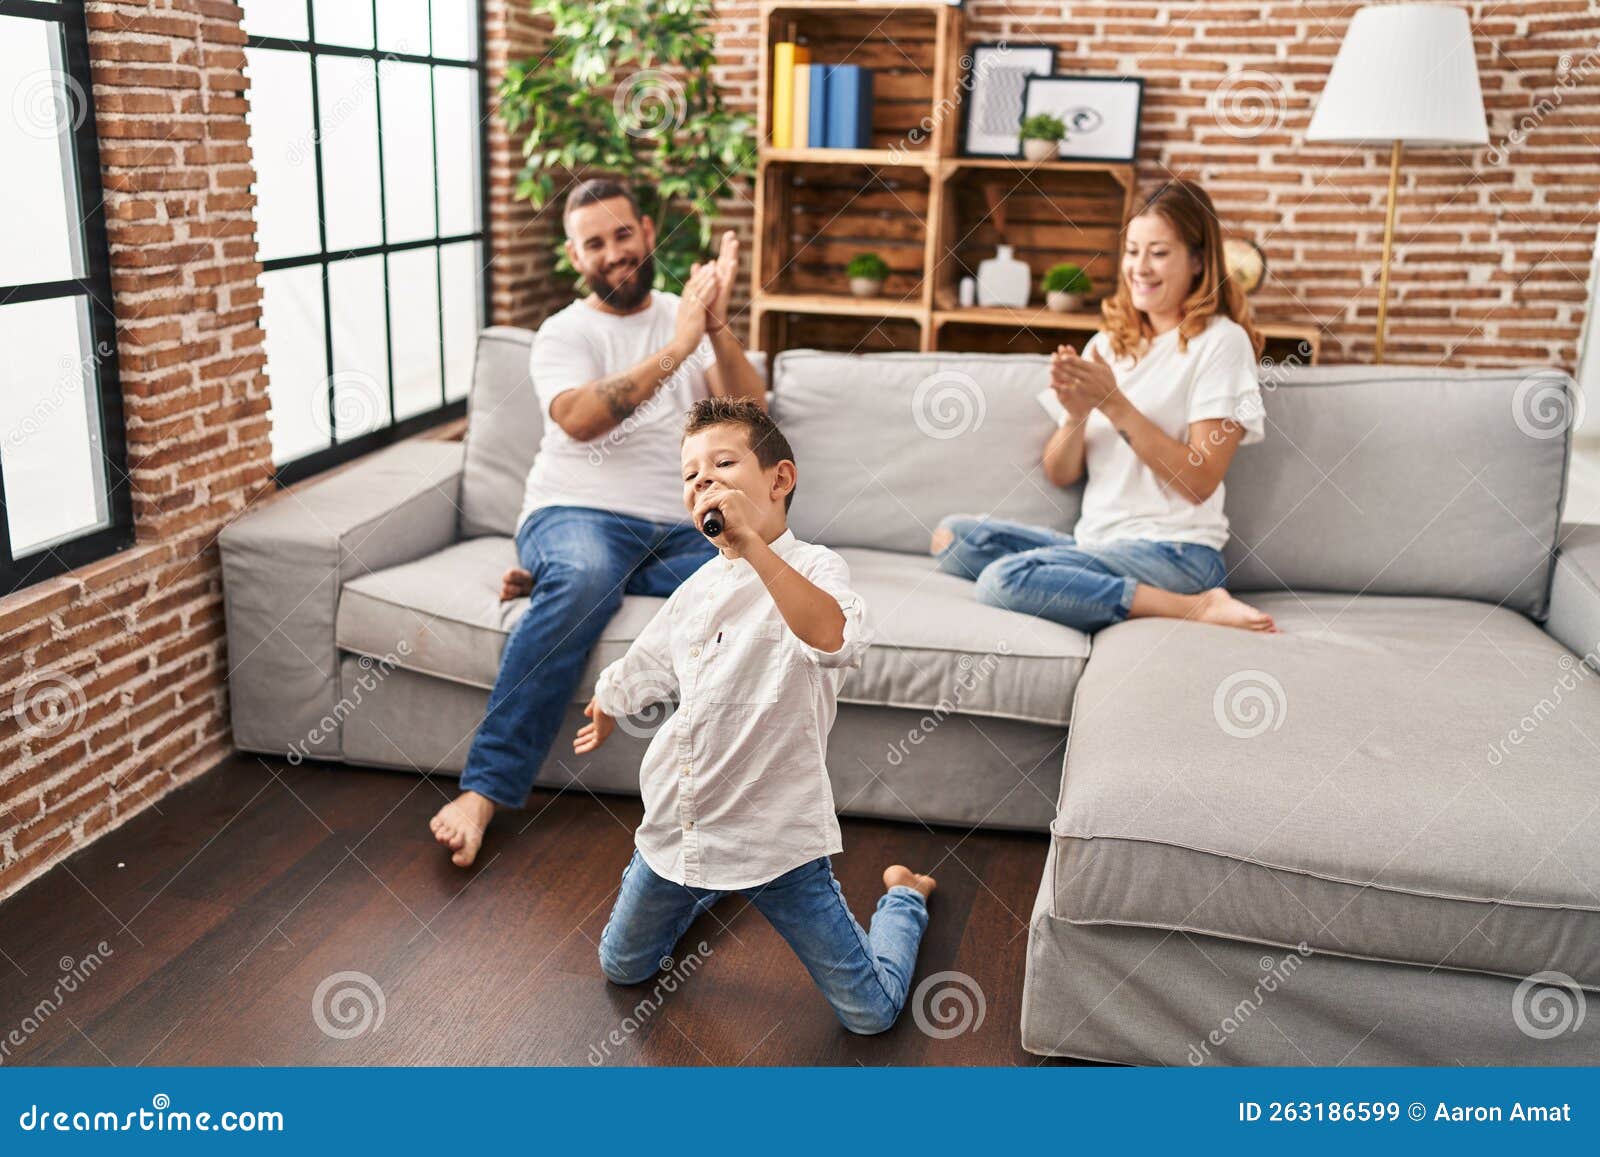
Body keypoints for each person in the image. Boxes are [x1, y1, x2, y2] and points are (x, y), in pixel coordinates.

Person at [430, 178, 766, 868]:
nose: (613, 252)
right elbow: (582, 421)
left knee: (760, 574)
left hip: (677, 528)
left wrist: (719, 325)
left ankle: (729, 800)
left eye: (622, 235)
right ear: (574, 255)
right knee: (586, 572)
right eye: (594, 243)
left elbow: (752, 420)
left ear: (646, 232)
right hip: (576, 511)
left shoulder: (690, 314)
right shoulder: (566, 331)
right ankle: (484, 790)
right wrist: (677, 346)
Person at [576, 396, 936, 1035]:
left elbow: (834, 638)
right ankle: (709, 888)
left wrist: (751, 546)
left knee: (872, 1015)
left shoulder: (815, 568)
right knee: (623, 968)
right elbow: (649, 659)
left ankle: (906, 896)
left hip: (777, 844)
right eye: (690, 475)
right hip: (679, 832)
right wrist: (609, 702)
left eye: (721, 463)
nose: (703, 480)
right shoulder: (695, 590)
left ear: (779, 479)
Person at [932, 178, 1277, 634]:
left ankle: (1196, 606)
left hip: (1176, 553)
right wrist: (1076, 414)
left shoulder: (1220, 342)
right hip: (1097, 542)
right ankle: (1076, 573)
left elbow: (1199, 480)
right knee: (955, 538)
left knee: (1004, 580)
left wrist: (1114, 404)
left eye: (1158, 252)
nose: (1140, 267)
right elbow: (1060, 473)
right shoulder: (1109, 344)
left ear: (1198, 260)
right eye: (1133, 251)